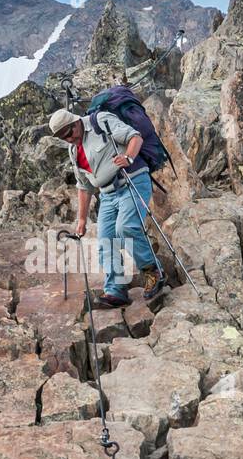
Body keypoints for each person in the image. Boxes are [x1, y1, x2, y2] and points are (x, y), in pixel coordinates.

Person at [49, 106, 165, 308]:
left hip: (132, 181)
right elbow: (84, 186)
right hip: (107, 194)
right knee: (105, 240)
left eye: (69, 132)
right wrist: (82, 219)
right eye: (63, 137)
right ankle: (116, 290)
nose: (68, 138)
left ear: (76, 122)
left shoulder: (100, 122)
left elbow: (134, 137)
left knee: (126, 227)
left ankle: (152, 272)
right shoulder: (73, 150)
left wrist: (128, 157)